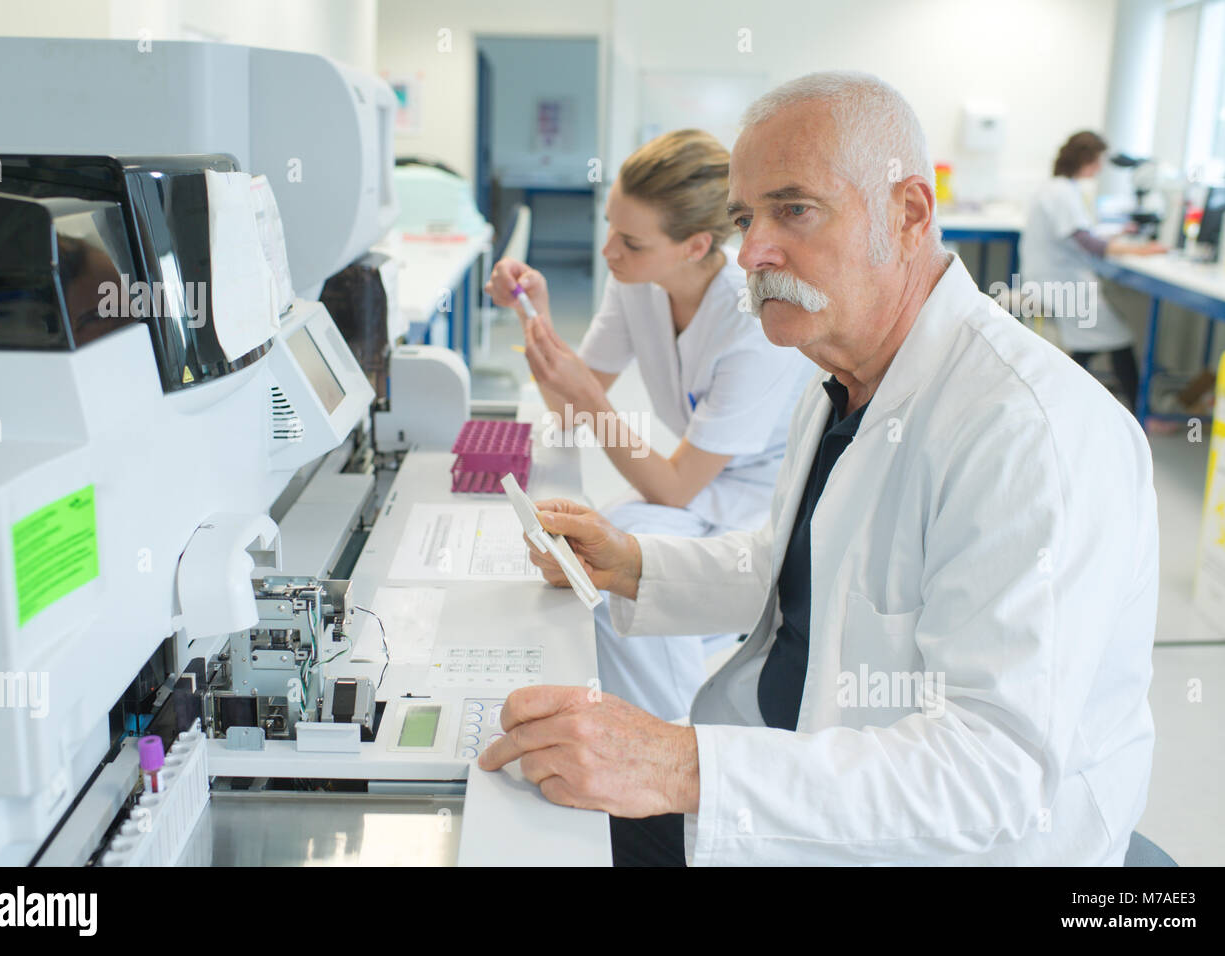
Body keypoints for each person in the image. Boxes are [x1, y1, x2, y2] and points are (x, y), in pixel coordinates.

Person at [478, 72, 1159, 867]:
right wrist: (635, 565)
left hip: (935, 846)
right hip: (807, 787)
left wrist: (680, 763)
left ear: (908, 214)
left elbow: (992, 778)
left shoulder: (1028, 434)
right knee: (531, 814)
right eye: (744, 217)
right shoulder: (840, 377)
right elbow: (804, 566)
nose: (754, 252)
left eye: (794, 209)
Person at [484, 129, 813, 722]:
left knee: (621, 567)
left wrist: (589, 399)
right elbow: (566, 411)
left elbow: (674, 487)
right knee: (596, 553)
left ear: (695, 246)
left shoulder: (750, 319)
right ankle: (626, 720)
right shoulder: (637, 284)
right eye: (610, 226)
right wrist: (536, 314)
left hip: (764, 507)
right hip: (705, 489)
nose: (609, 251)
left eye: (631, 242)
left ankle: (663, 739)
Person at [1019, 131, 1165, 413]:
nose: (1101, 168)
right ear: (1087, 159)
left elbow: (1081, 232)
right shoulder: (1061, 192)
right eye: (1099, 161)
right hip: (1062, 286)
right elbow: (1088, 242)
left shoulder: (1061, 188)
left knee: (1092, 341)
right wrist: (1139, 250)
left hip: (1057, 281)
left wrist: (1118, 234)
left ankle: (1054, 402)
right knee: (1119, 339)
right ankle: (1140, 412)